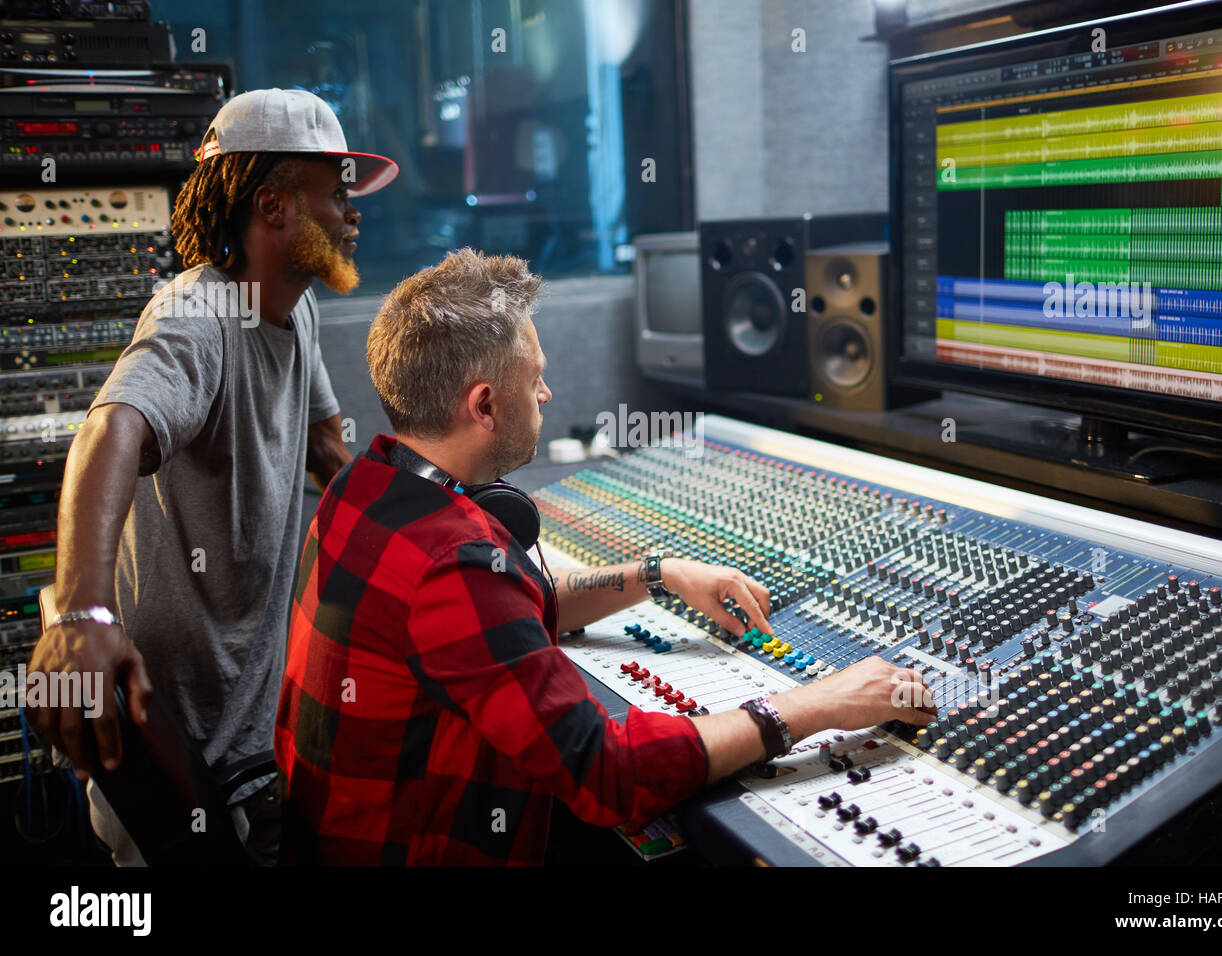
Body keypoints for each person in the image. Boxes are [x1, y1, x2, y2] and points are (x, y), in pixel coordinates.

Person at [276, 248, 935, 865]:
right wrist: (816, 705)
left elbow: (513, 610)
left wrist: (658, 574)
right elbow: (609, 774)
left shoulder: (364, 483)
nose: (547, 395)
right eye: (535, 378)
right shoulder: (454, 564)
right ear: (484, 404)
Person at [27, 88, 398, 865]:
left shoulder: (292, 308)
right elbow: (109, 427)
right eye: (337, 194)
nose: (353, 212)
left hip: (251, 725)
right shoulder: (196, 314)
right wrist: (82, 617)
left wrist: (426, 539)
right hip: (184, 753)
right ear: (274, 208)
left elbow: (326, 450)